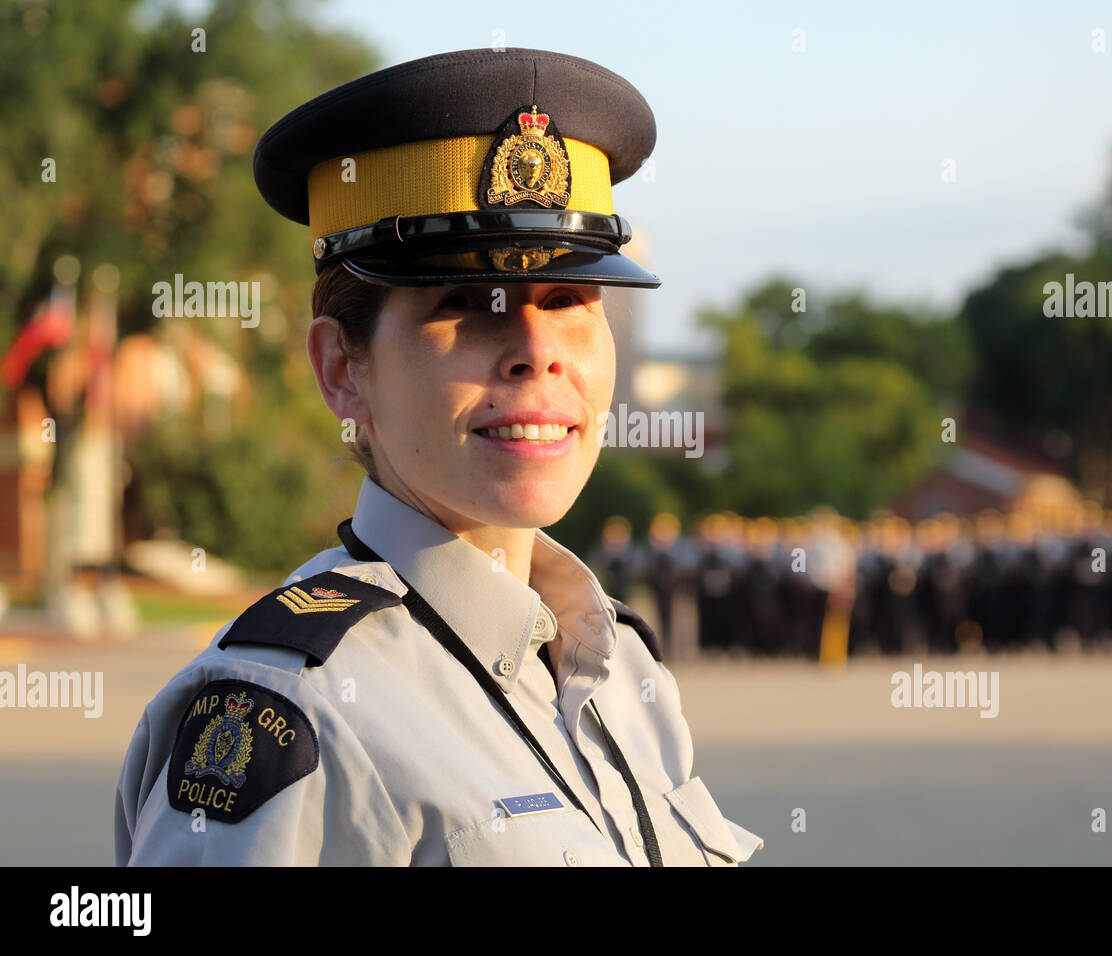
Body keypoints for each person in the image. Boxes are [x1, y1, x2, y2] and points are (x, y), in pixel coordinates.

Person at [114, 48, 763, 867]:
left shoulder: (614, 662)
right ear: (343, 370)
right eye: (466, 304)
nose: (537, 353)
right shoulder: (291, 713)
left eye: (566, 301)